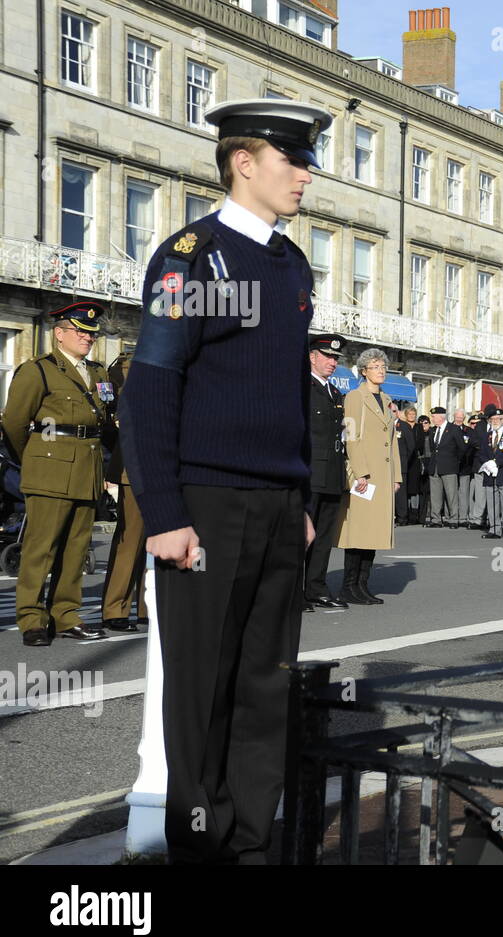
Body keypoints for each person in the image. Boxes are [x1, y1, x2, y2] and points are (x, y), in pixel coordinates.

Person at [118, 98, 329, 863]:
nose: (307, 176)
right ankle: (200, 849)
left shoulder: (292, 262)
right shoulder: (192, 256)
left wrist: (301, 499)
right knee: (202, 690)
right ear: (245, 161)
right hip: (205, 506)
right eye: (293, 160)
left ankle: (251, 843)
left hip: (277, 506)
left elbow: (289, 394)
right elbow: (151, 387)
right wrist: (165, 511)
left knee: (266, 686)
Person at [4, 300, 114, 645]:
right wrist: (37, 460)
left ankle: (66, 615)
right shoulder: (38, 370)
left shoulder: (97, 373)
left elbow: (104, 421)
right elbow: (15, 422)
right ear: (60, 334)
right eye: (80, 332)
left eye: (91, 334)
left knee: (76, 549)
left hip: (87, 468)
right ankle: (32, 619)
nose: (88, 338)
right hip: (50, 469)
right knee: (41, 548)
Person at [336, 348, 400, 605]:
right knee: (359, 532)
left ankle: (363, 585)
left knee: (373, 533)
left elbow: (391, 440)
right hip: (365, 474)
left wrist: (396, 476)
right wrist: (360, 472)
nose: (381, 371)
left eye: (383, 367)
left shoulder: (385, 399)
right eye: (375, 367)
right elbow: (350, 435)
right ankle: (349, 586)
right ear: (363, 371)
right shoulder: (354, 396)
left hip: (383, 474)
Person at [101, 349, 147, 633]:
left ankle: (147, 606)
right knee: (129, 540)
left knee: (158, 540)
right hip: (137, 464)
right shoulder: (125, 368)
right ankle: (115, 609)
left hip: (171, 464)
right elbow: (107, 418)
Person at [303, 333, 349, 611]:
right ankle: (294, 590)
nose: (333, 362)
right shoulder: (302, 387)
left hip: (331, 472)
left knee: (322, 537)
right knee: (302, 536)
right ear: (312, 356)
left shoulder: (335, 393)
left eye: (336, 358)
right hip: (309, 472)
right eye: (328, 356)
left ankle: (315, 587)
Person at [478, 404, 503, 539]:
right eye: (492, 419)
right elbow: (482, 453)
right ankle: (494, 529)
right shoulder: (487, 436)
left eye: (498, 419)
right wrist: (489, 463)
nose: (495, 421)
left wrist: (497, 463)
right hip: (490, 474)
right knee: (492, 502)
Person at [425, 406, 463, 527]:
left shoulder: (453, 429)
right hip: (435, 466)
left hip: (449, 467)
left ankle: (453, 519)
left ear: (441, 417)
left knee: (451, 495)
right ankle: (435, 519)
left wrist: (455, 462)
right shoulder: (433, 430)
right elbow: (432, 448)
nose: (432, 419)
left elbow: (461, 448)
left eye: (434, 417)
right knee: (435, 495)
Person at [456, 410, 480, 528]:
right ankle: (452, 516)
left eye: (461, 417)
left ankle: (463, 517)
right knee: (452, 493)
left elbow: (473, 446)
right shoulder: (449, 428)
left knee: (464, 492)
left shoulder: (468, 430)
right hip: (452, 465)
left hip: (465, 465)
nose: (459, 419)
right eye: (457, 417)